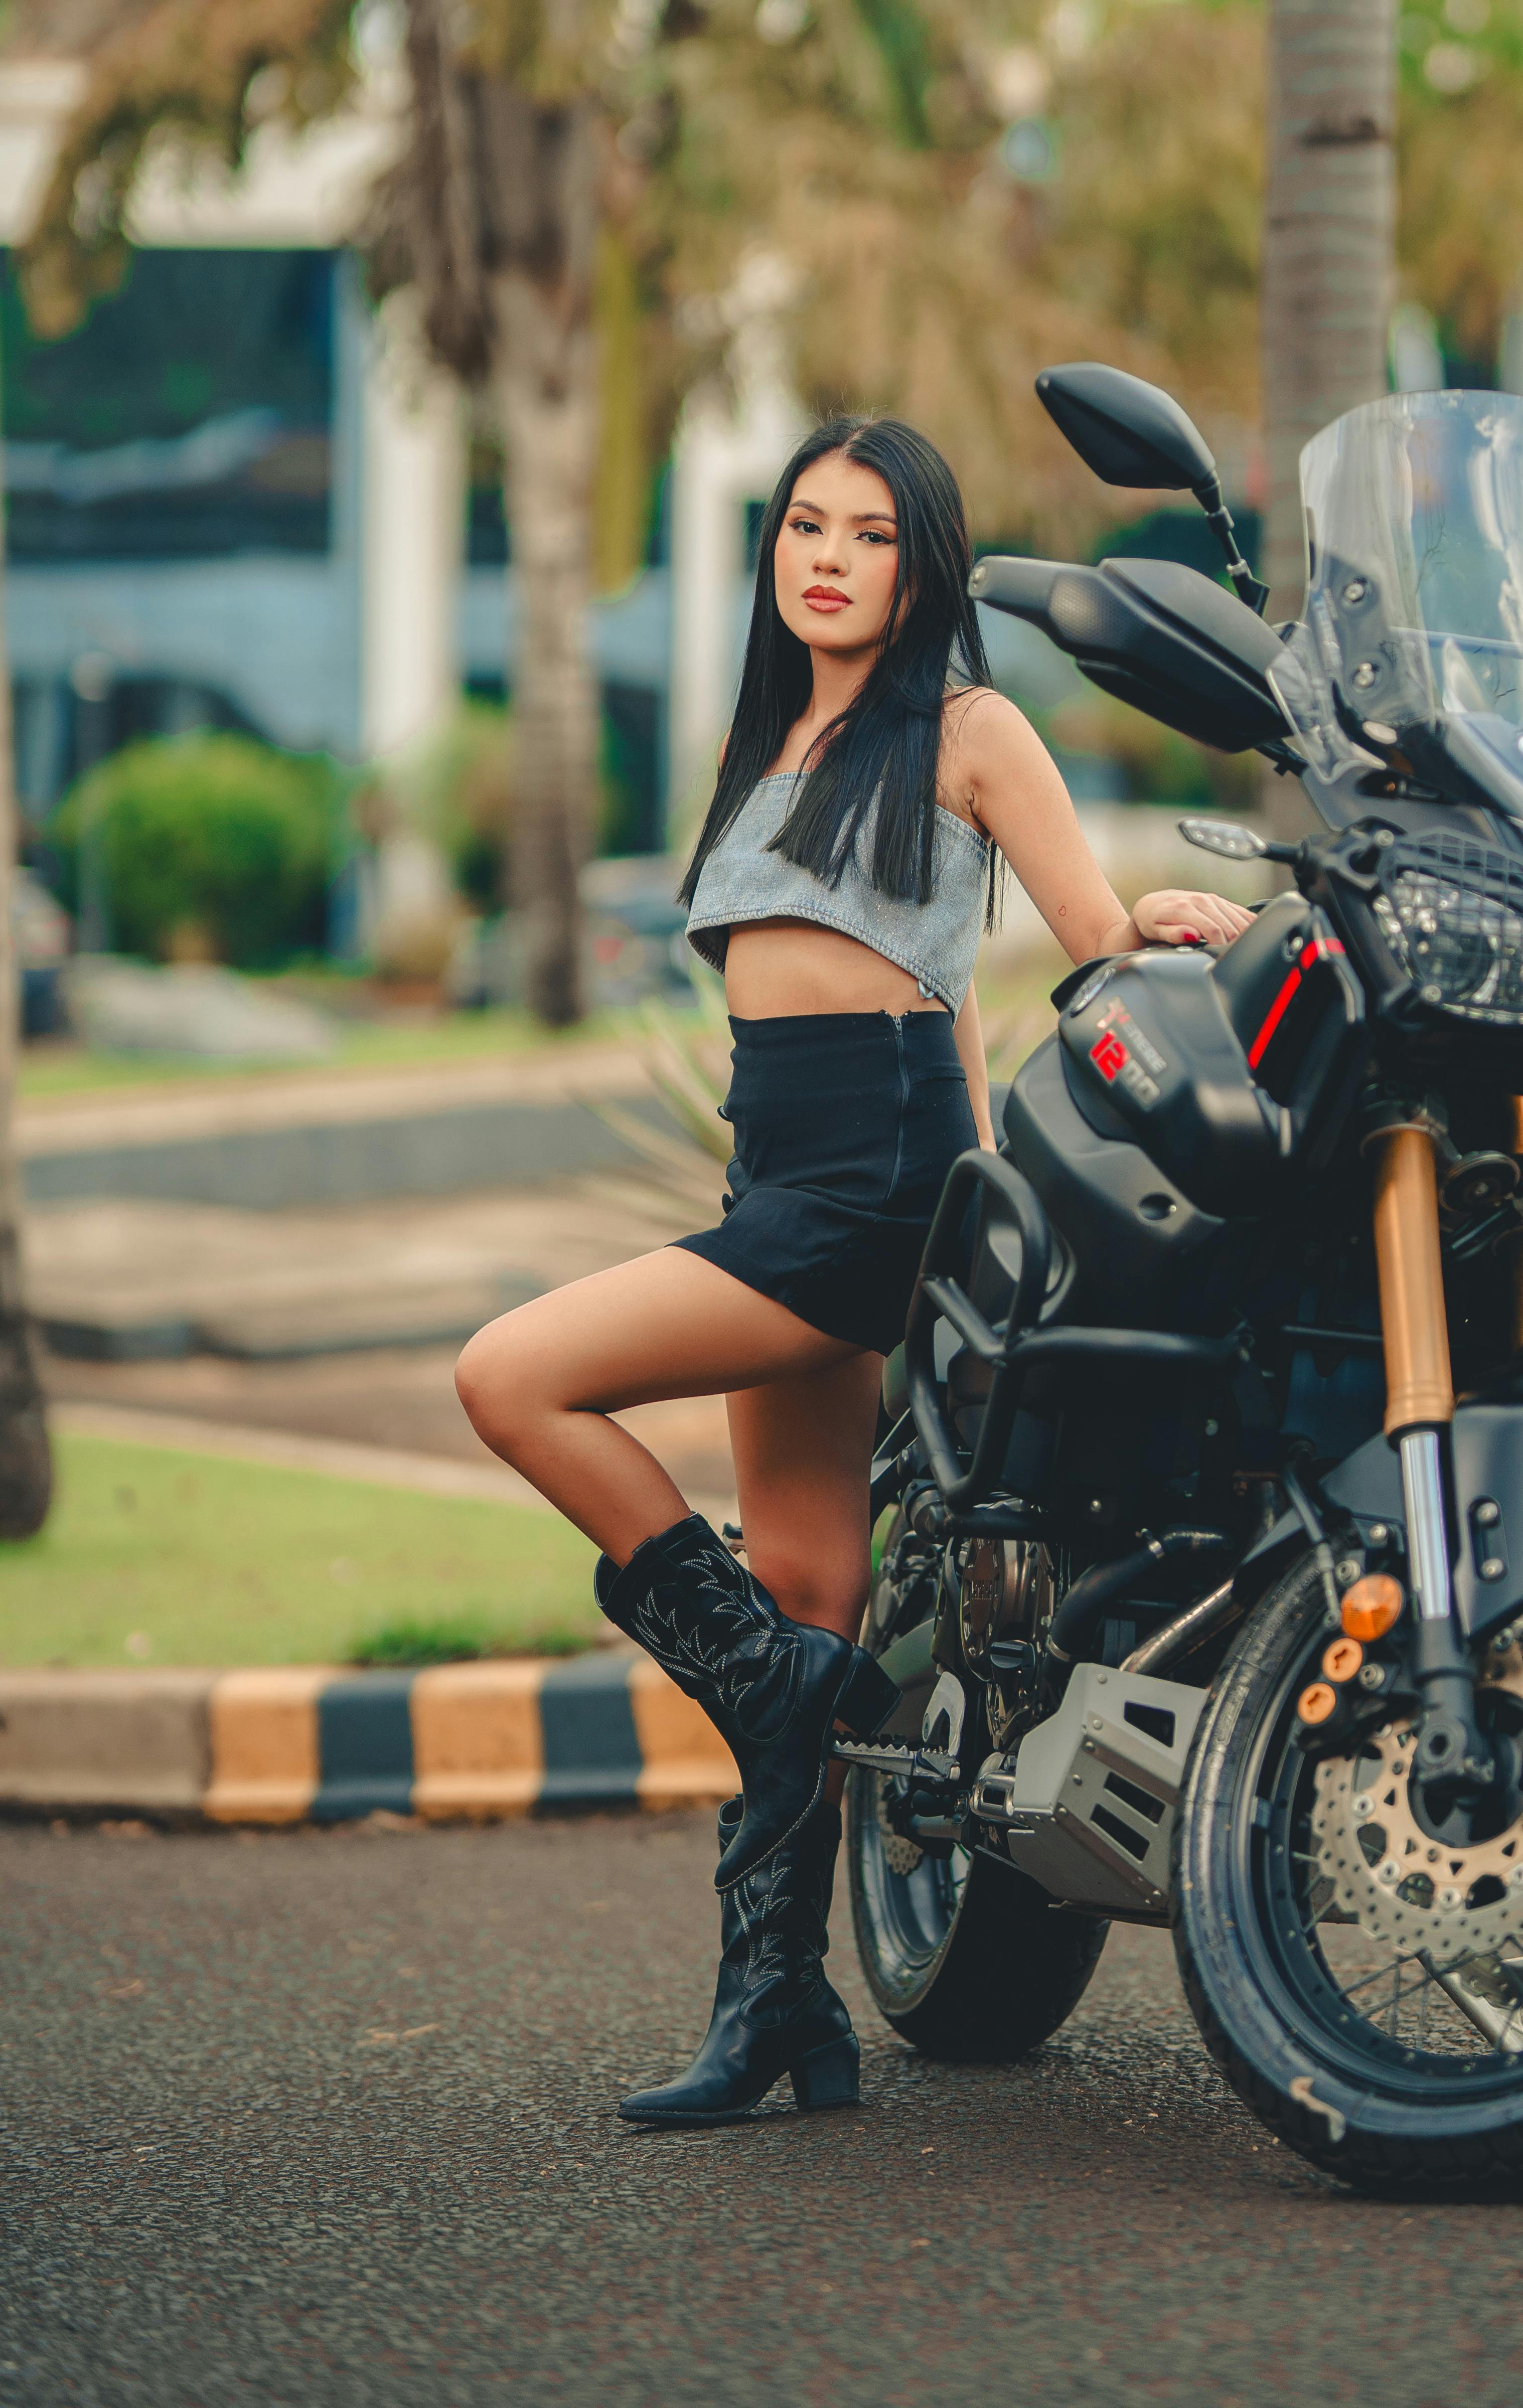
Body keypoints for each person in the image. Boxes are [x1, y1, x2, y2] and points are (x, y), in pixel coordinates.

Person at [455, 414, 1252, 2128]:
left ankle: (770, 1685)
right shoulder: (766, 739)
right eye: (807, 525)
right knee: (809, 1591)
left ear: (924, 564)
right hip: (784, 1175)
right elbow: (936, 986)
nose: (828, 558)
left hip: (868, 1196)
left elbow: (1085, 933)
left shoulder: (969, 729)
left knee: (509, 1376)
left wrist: (1159, 924)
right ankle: (780, 2009)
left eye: (871, 534)